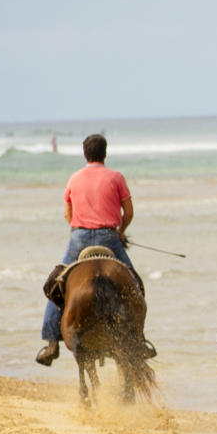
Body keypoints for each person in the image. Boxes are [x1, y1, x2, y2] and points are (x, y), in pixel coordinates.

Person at [36, 133, 143, 366]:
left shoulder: (74, 178)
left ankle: (51, 343)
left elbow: (68, 213)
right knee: (135, 284)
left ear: (85, 154)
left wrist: (82, 229)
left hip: (79, 238)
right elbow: (129, 212)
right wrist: (120, 232)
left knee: (55, 286)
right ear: (105, 154)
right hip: (109, 236)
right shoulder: (116, 177)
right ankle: (141, 340)